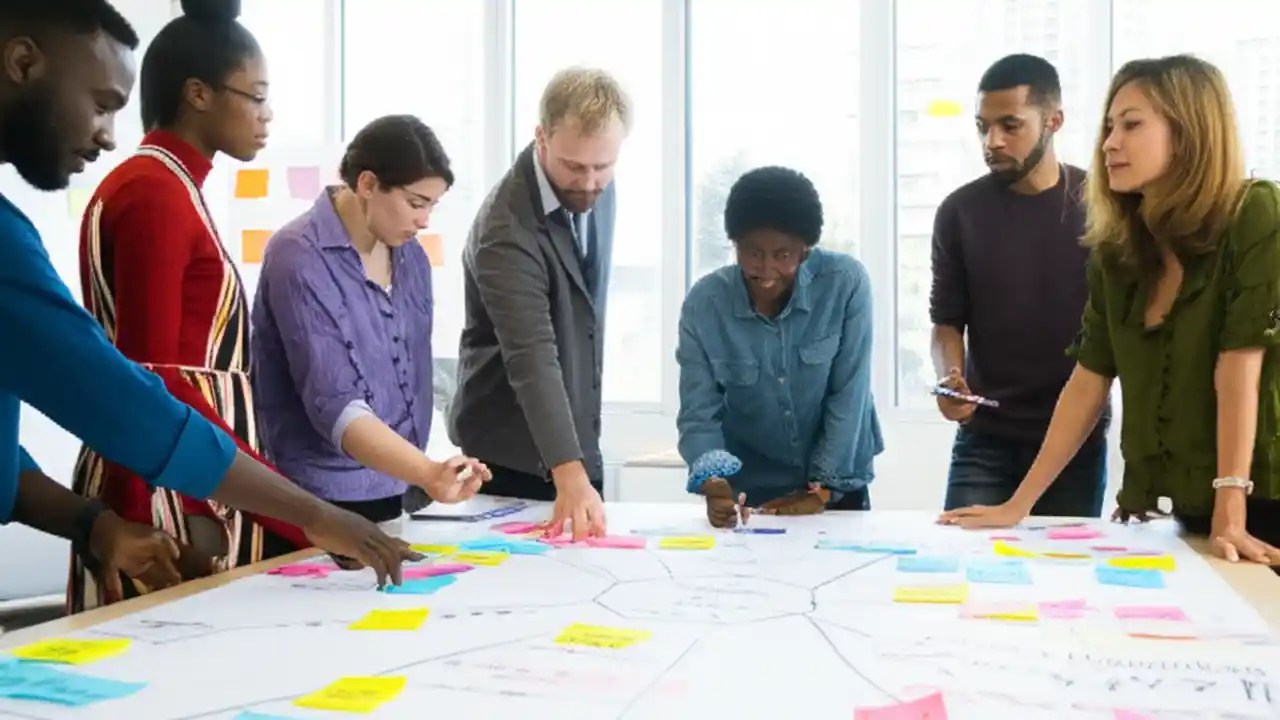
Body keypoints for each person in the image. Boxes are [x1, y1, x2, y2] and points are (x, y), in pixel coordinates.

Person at [0, 0, 417, 605]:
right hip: (168, 490)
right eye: (100, 104)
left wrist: (94, 523)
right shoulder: (150, 193)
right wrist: (309, 514)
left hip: (174, 481)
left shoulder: (166, 190)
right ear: (22, 62)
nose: (108, 134)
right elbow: (132, 393)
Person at [940, 55, 1280, 570]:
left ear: (1189, 131)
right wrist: (1017, 506)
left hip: (1260, 504)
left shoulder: (1255, 212)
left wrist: (1230, 507)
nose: (1109, 143)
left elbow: (1240, 364)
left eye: (1131, 125)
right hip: (1194, 508)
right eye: (1109, 127)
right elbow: (1089, 377)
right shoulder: (1117, 248)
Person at [252, 115, 491, 534]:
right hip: (319, 502)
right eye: (416, 203)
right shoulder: (298, 256)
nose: (425, 220)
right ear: (367, 184)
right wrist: (428, 471)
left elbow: (411, 373)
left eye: (432, 206)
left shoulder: (412, 257)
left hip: (401, 490)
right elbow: (334, 404)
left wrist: (429, 472)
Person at [448, 67, 629, 540]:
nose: (589, 183)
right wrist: (569, 472)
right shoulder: (505, 229)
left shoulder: (595, 187)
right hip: (511, 459)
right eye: (574, 167)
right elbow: (531, 355)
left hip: (575, 445)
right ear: (541, 138)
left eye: (603, 167)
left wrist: (580, 462)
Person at [930, 53, 1107, 518]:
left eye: (1010, 125)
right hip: (985, 438)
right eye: (983, 127)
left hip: (1076, 443)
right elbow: (946, 322)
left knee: (1062, 564)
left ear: (1053, 121)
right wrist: (950, 377)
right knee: (963, 556)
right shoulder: (959, 213)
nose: (993, 141)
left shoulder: (1101, 208)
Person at [677, 167, 883, 528]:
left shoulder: (845, 284)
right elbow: (699, 412)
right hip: (749, 495)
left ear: (805, 248)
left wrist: (820, 490)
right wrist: (714, 483)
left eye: (783, 254)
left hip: (837, 490)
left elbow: (850, 395)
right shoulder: (704, 304)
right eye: (753, 253)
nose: (767, 269)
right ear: (734, 244)